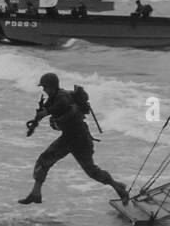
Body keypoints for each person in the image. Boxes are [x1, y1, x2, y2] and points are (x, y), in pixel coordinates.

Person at [19, 74, 129, 206]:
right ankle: (35, 193)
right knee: (43, 161)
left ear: (52, 86)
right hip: (67, 138)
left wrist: (48, 111)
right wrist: (35, 123)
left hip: (80, 139)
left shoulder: (62, 96)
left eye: (45, 87)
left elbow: (62, 105)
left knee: (92, 172)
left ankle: (118, 187)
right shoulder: (53, 98)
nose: (44, 90)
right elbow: (44, 111)